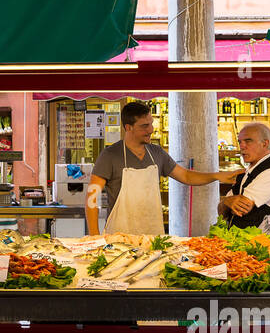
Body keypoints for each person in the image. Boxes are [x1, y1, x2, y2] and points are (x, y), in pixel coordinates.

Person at [86, 101, 242, 236]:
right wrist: (94, 235)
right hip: (119, 236)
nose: (151, 130)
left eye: (151, 124)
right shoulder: (110, 155)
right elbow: (92, 197)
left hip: (153, 235)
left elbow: (186, 176)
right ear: (128, 127)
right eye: (144, 126)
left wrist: (216, 176)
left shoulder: (157, 153)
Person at [218, 121, 270, 230]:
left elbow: (241, 208)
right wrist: (226, 202)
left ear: (265, 144)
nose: (242, 146)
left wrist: (227, 202)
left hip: (265, 244)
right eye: (240, 142)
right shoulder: (245, 172)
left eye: (248, 141)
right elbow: (222, 211)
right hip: (243, 240)